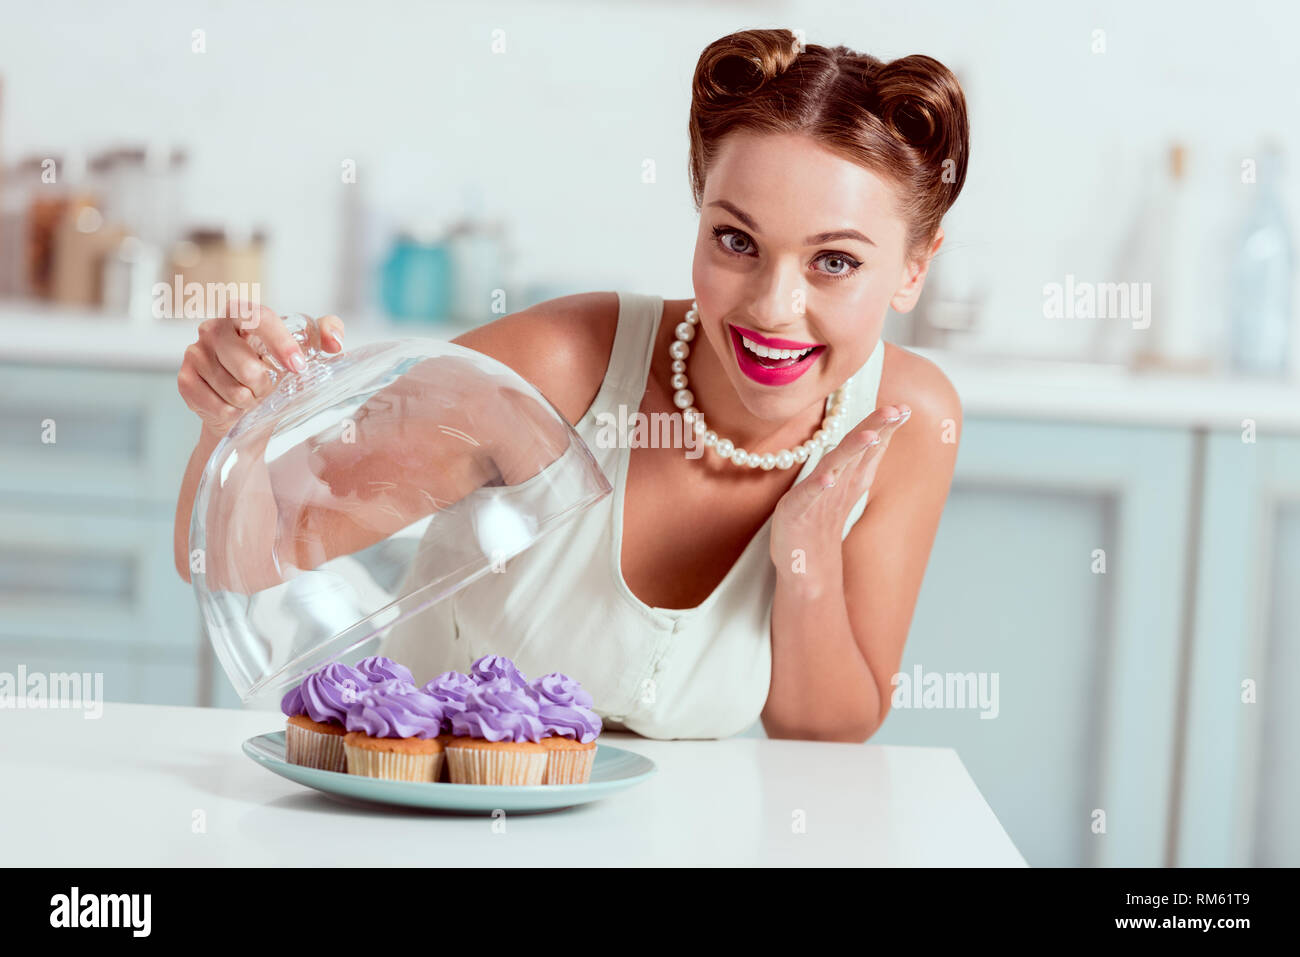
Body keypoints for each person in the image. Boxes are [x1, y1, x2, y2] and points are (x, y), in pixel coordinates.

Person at [173, 28, 967, 742]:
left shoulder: (903, 422)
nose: (772, 306)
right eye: (736, 240)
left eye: (835, 261)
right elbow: (238, 557)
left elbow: (824, 731)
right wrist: (229, 423)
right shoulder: (557, 368)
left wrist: (808, 551)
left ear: (914, 268)